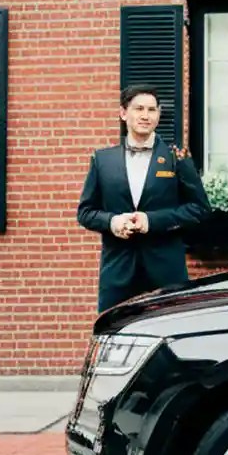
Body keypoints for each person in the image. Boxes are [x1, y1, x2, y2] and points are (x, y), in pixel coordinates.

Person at [77, 84, 211, 312]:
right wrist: (113, 222)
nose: (145, 116)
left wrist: (152, 221)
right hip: (117, 275)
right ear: (123, 113)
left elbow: (200, 209)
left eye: (151, 110)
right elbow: (85, 212)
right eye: (139, 109)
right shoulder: (102, 160)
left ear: (158, 115)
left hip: (166, 275)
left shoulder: (176, 157)